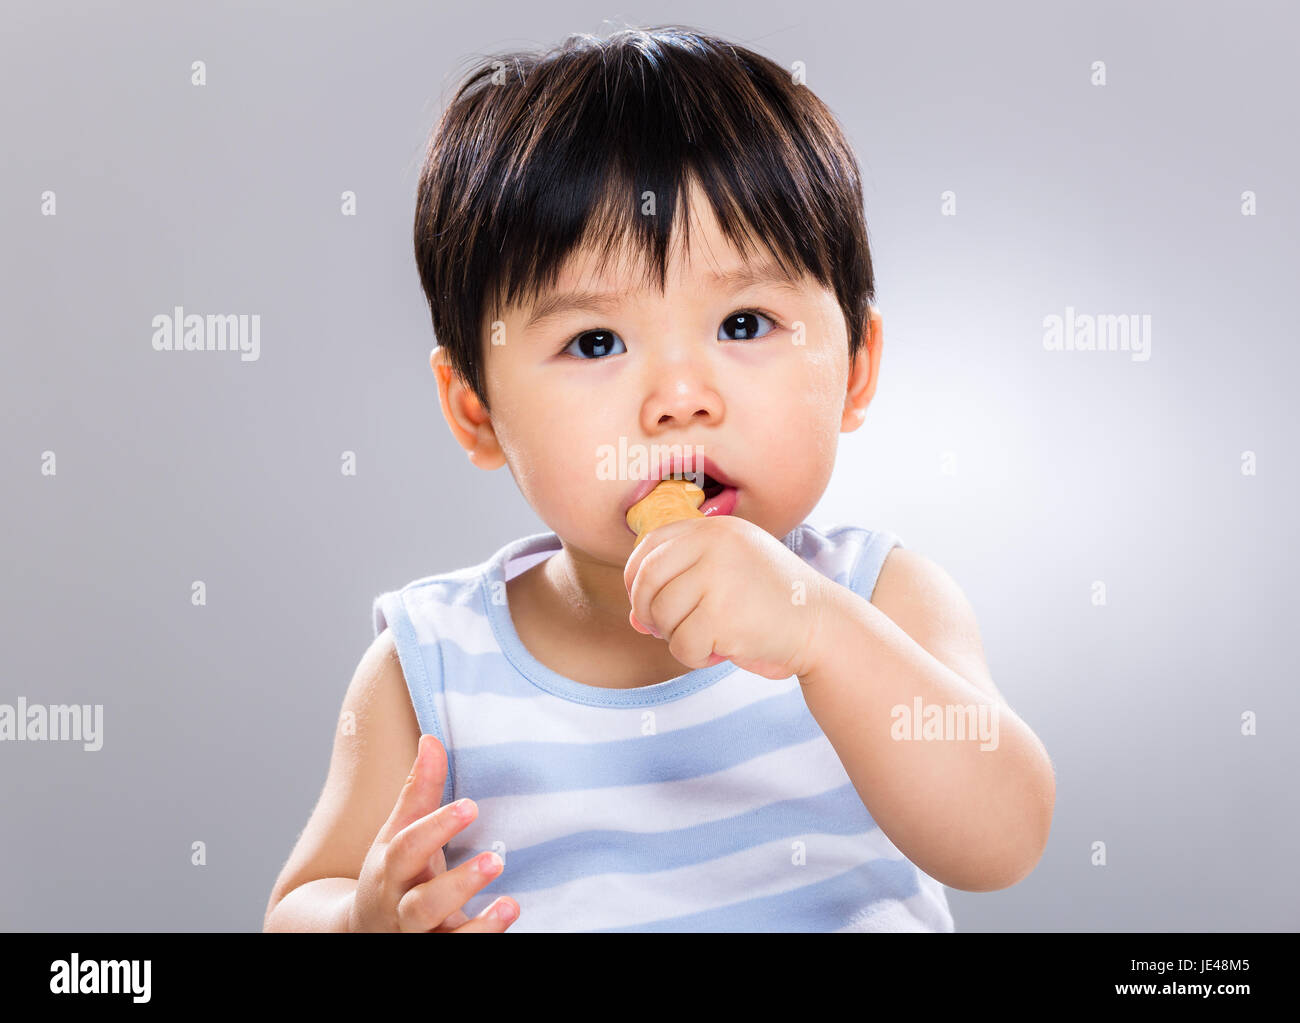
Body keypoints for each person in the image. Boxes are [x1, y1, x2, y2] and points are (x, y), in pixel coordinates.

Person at [264, 24, 1055, 933]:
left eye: (747, 323)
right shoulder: (431, 664)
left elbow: (1007, 836)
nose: (679, 399)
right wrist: (363, 918)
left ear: (857, 366)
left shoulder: (878, 601)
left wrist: (823, 635)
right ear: (474, 408)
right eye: (595, 342)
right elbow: (298, 903)